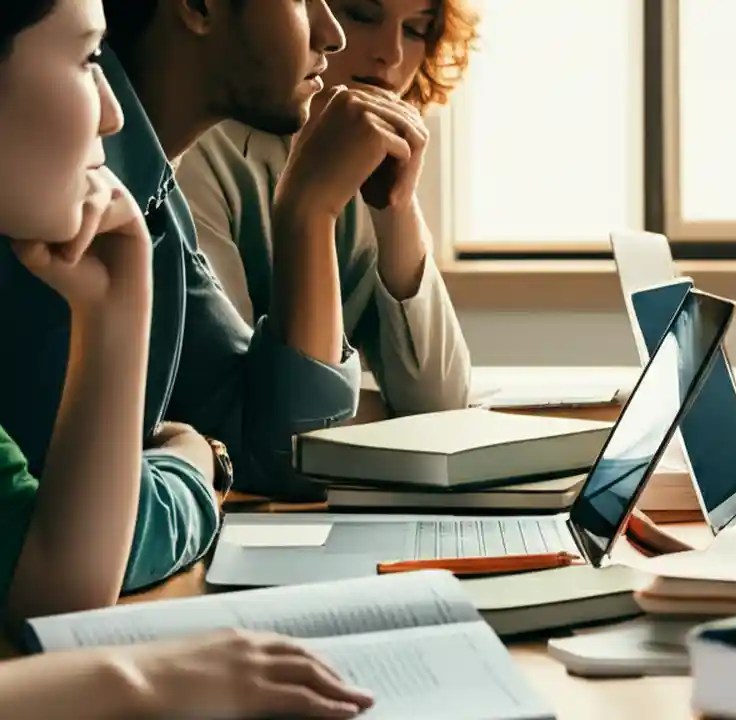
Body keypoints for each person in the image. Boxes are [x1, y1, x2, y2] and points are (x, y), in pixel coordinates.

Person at [0, 3, 372, 717]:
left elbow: (283, 445)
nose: (114, 113)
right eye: (86, 60)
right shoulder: (48, 225)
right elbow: (54, 542)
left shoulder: (142, 203)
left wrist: (313, 214)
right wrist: (194, 462)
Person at [178, 0, 477, 417]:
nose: (390, 54)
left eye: (415, 30)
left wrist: (397, 209)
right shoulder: (198, 153)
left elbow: (441, 404)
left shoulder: (375, 162)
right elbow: (243, 416)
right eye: (362, 15)